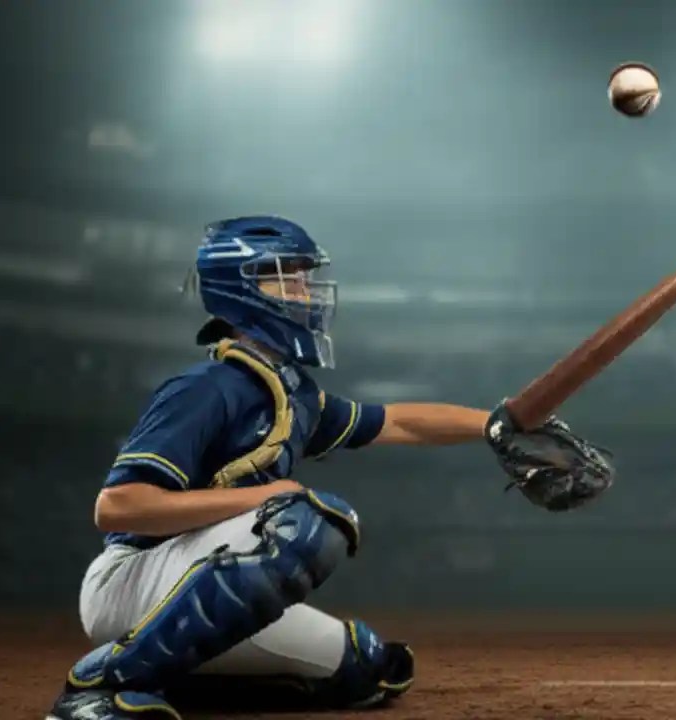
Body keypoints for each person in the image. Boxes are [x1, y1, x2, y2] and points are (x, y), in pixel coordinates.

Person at [46, 215, 614, 719]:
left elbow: (398, 422)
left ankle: (182, 684)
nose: (305, 290)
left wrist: (498, 424)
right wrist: (262, 501)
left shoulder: (291, 393)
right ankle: (98, 688)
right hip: (131, 581)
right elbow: (119, 507)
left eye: (303, 275)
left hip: (189, 578)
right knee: (308, 519)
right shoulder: (206, 387)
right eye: (285, 276)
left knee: (370, 666)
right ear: (240, 290)